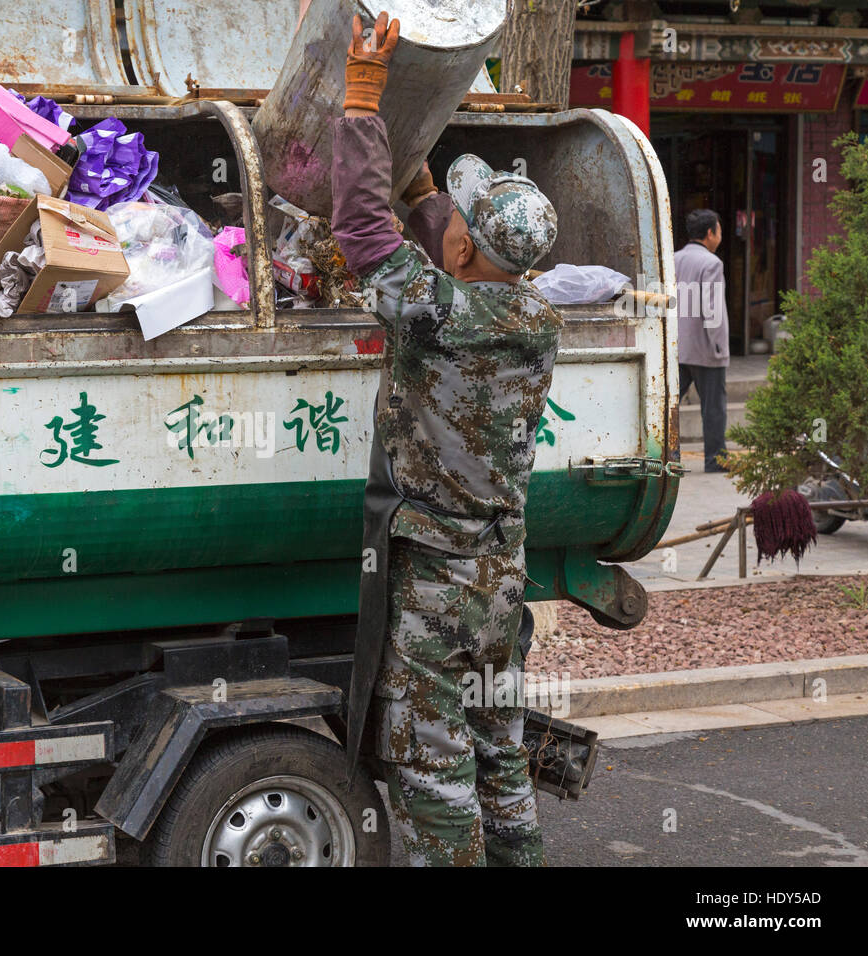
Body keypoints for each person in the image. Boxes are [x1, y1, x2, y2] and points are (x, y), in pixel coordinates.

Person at [332, 11, 563, 867]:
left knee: (436, 772)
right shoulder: (537, 315)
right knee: (499, 746)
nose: (449, 224)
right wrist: (418, 173)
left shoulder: (437, 312)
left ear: (465, 244)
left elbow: (361, 236)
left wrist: (362, 100)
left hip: (437, 584)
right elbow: (451, 253)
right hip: (502, 579)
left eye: (457, 220)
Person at [674, 209, 730, 472]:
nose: (720, 235)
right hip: (707, 349)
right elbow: (713, 309)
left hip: (678, 348)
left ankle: (668, 457)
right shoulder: (711, 263)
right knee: (713, 409)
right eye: (719, 230)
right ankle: (715, 460)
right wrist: (718, 346)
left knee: (668, 406)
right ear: (710, 233)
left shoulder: (673, 259)